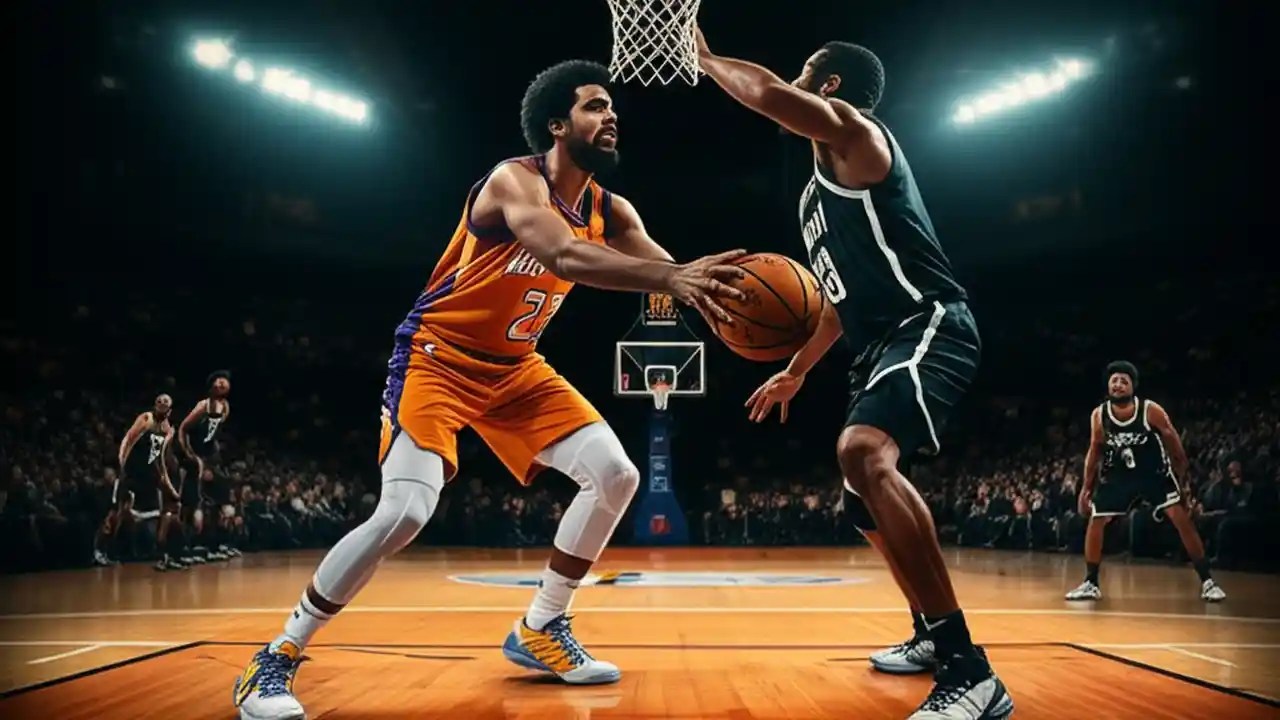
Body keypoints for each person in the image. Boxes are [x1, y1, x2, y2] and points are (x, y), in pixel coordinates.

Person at [232, 59, 747, 720]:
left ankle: (540, 627)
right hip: (437, 359)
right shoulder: (514, 181)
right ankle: (276, 655)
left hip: (515, 368)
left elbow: (666, 270)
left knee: (616, 476)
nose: (611, 115)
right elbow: (565, 256)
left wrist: (721, 293)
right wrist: (674, 280)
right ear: (557, 125)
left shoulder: (611, 209)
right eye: (595, 106)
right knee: (405, 512)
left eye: (612, 106)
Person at [697, 31, 1012, 719]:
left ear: (830, 87)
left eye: (803, 72)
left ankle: (971, 669)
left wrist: (706, 58)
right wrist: (796, 371)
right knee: (858, 501)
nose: (792, 81)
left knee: (863, 452)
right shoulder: (816, 198)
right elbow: (836, 308)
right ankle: (929, 632)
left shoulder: (857, 137)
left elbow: (769, 95)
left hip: (927, 321)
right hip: (876, 344)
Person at [1065, 361, 1226, 602]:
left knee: (1180, 518)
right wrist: (1086, 488)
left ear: (1133, 387)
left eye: (1124, 381)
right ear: (1108, 385)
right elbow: (1095, 450)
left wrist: (1184, 483)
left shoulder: (1150, 410)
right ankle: (1091, 582)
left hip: (1154, 474)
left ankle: (1208, 581)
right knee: (1096, 520)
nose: (1118, 384)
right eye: (1114, 380)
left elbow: (1175, 447)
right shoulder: (1099, 415)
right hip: (1118, 476)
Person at [113, 394, 181, 570]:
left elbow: (158, 457)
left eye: (166, 404)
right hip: (132, 472)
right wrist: (122, 465)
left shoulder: (166, 428)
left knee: (157, 516)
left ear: (170, 410)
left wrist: (163, 479)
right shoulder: (146, 418)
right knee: (122, 513)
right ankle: (110, 551)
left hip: (149, 476)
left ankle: (162, 555)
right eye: (160, 403)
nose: (162, 405)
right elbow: (128, 440)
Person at [177, 370, 236, 562]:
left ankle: (213, 546)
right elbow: (183, 429)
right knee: (192, 504)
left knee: (218, 502)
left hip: (210, 459)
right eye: (219, 381)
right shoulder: (203, 406)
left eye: (225, 381)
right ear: (211, 386)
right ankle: (185, 548)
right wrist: (190, 456)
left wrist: (214, 457)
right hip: (194, 457)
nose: (222, 383)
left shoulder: (225, 407)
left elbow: (213, 436)